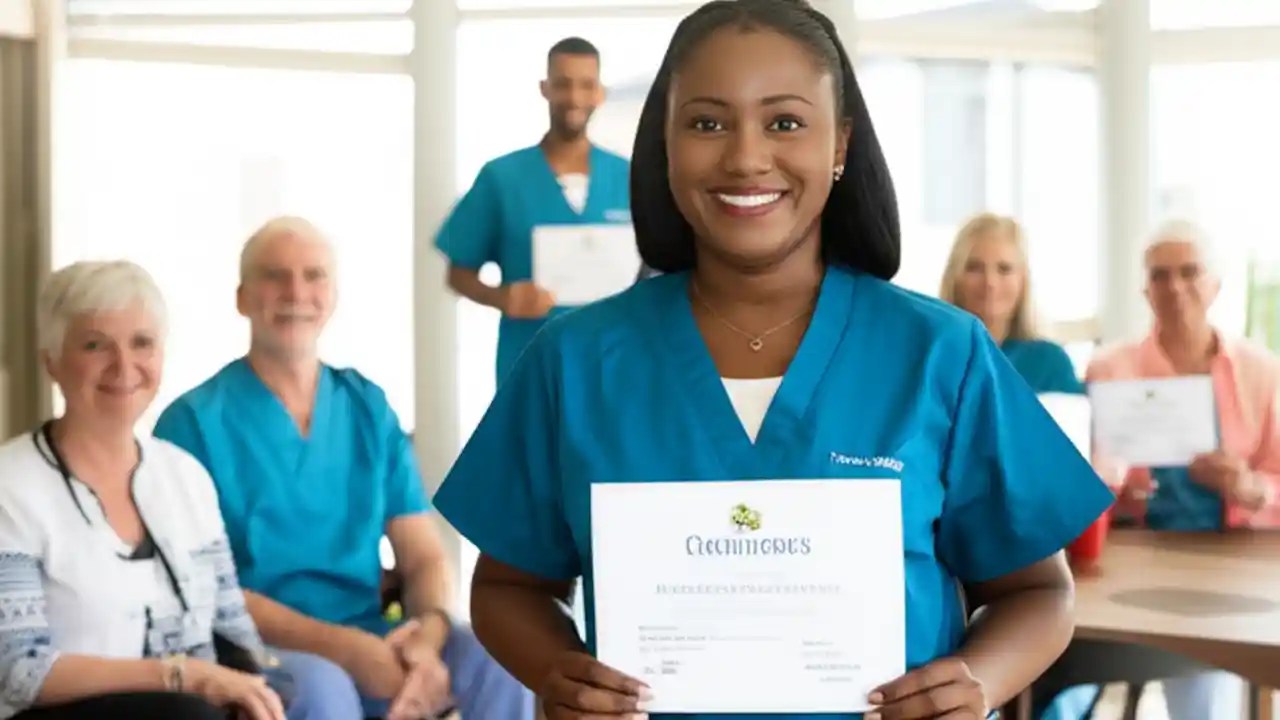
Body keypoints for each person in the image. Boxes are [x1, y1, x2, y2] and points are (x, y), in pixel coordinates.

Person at [431, 2, 1114, 719]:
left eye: (784, 122)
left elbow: (1039, 591)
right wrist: (558, 672)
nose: (746, 156)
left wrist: (978, 679)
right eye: (706, 122)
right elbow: (508, 588)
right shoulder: (572, 363)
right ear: (664, 144)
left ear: (840, 143)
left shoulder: (942, 354)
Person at [153, 217, 534, 720]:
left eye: (313, 275)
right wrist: (346, 649)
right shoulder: (192, 423)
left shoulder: (367, 408)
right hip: (257, 647)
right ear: (242, 298)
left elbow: (423, 556)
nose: (296, 291)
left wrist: (428, 634)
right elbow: (199, 589)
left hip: (373, 637)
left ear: (332, 295)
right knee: (324, 684)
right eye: (275, 275)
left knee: (495, 663)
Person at [0, 261, 285, 720]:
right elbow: (19, 672)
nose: (124, 366)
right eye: (95, 345)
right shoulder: (11, 487)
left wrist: (257, 688)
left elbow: (232, 625)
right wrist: (181, 675)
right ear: (51, 360)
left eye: (142, 343)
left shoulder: (186, 477)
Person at [1042, 220, 1280, 720]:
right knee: (1064, 648)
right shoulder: (1109, 368)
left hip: (1232, 562)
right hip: (1132, 556)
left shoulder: (1263, 372)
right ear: (1144, 289)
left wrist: (1249, 488)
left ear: (1216, 284)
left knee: (1209, 673)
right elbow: (1079, 481)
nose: (1175, 287)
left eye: (1190, 272)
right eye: (1160, 275)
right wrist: (1116, 493)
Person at [436, 36, 633, 384]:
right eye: (563, 84)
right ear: (545, 89)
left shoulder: (629, 177)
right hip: (530, 367)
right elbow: (457, 273)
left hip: (615, 365)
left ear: (600, 92)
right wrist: (501, 297)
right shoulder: (502, 178)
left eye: (586, 85)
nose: (574, 98)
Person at [939, 212, 1081, 394]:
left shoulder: (1050, 363)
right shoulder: (933, 358)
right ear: (954, 277)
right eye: (974, 268)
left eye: (1004, 269)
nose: (990, 282)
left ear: (1023, 280)